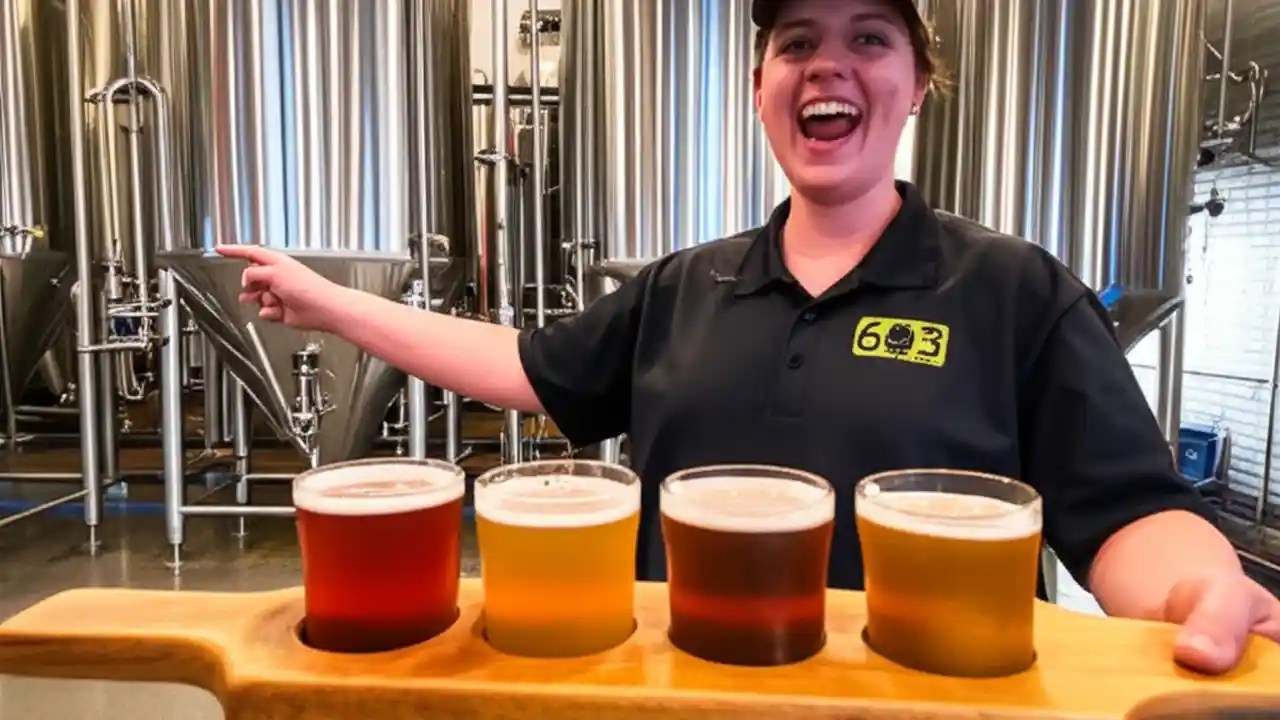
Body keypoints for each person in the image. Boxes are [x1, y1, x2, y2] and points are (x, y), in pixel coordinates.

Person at [218, 0, 1279, 675]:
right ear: (760, 90)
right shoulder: (685, 285)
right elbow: (525, 369)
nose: (827, 66)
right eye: (795, 43)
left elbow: (1127, 509)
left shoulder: (1013, 290)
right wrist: (336, 304)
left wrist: (1197, 587)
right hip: (684, 689)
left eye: (869, 39)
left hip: (926, 698)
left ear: (916, 86)